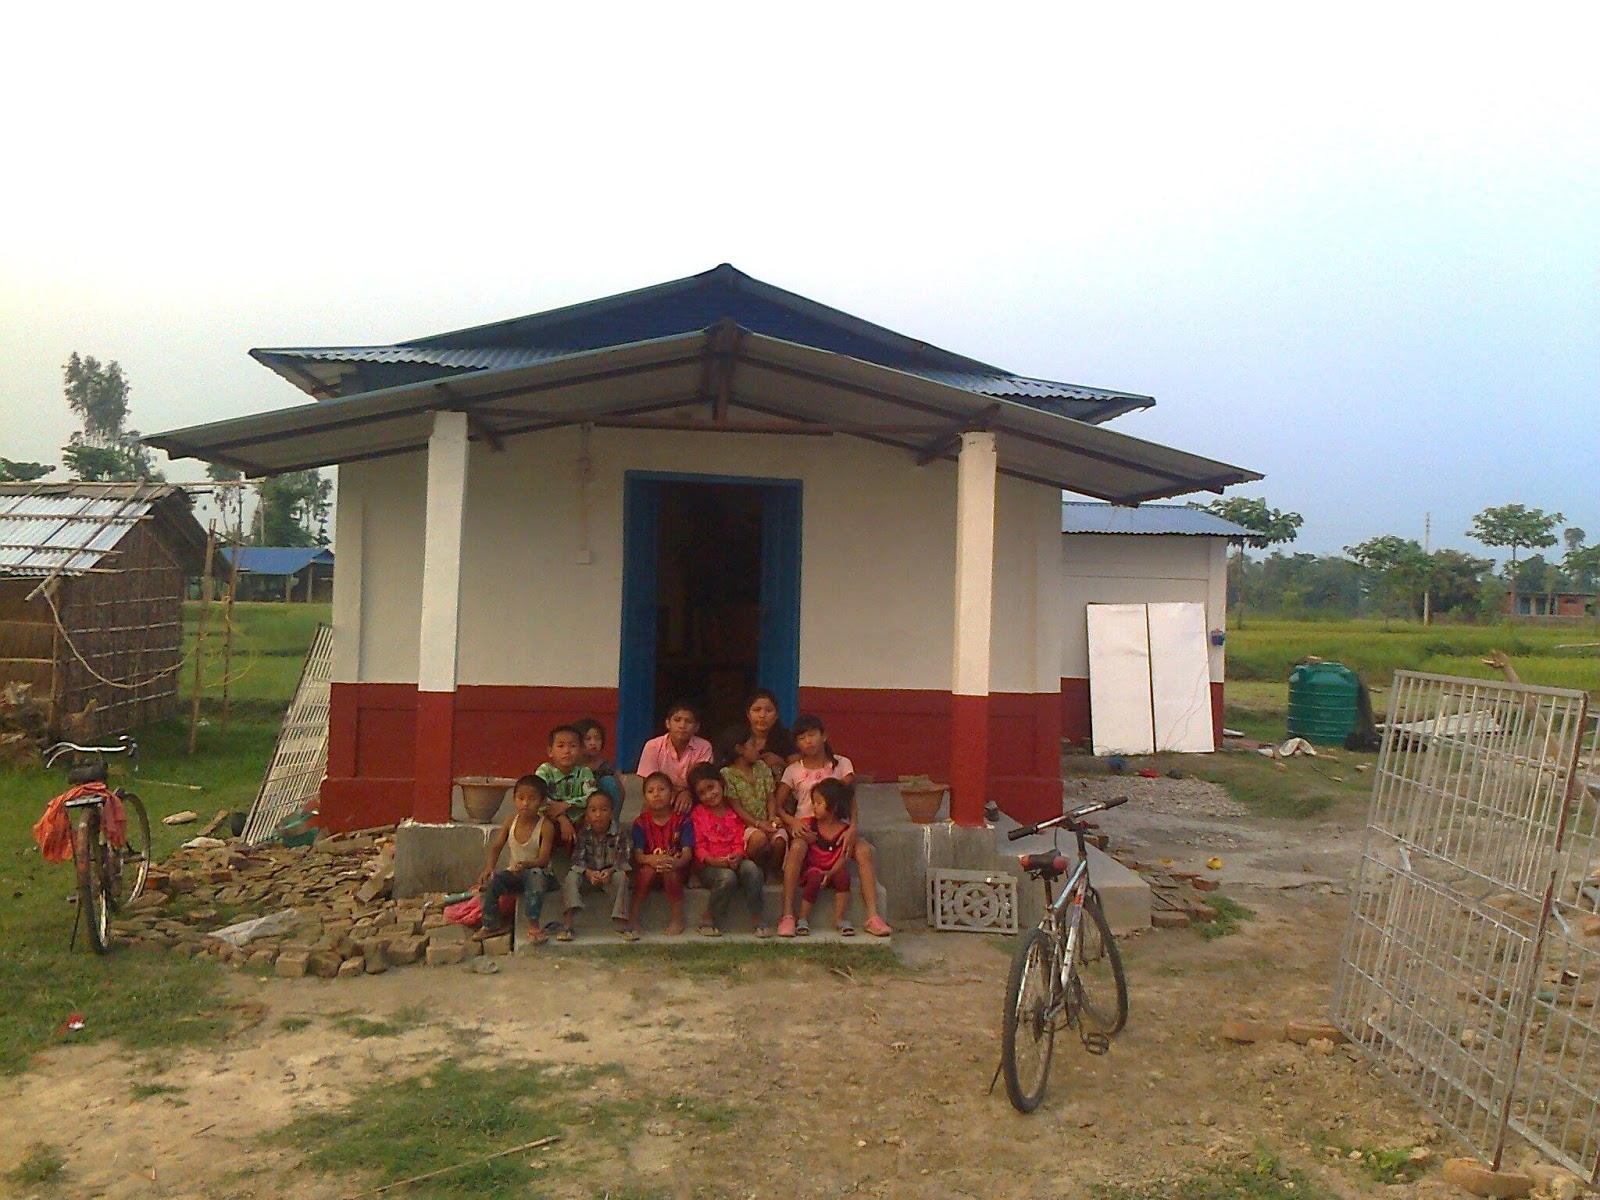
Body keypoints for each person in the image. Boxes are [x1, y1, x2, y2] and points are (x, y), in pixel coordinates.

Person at [687, 763, 770, 937]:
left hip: (733, 859)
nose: (709, 795)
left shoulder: (733, 812)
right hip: (709, 865)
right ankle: (708, 918)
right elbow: (699, 846)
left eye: (711, 787)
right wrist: (714, 861)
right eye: (702, 793)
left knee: (753, 870)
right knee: (727, 878)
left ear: (721, 783)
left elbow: (739, 839)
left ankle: (757, 918)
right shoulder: (698, 814)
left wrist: (738, 855)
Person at [474, 775, 557, 946]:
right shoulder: (510, 820)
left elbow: (543, 859)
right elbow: (496, 846)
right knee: (492, 882)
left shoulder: (546, 826)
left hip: (540, 875)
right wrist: (489, 868)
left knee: (535, 875)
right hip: (515, 874)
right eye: (521, 798)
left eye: (532, 799)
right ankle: (491, 924)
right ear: (514, 800)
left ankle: (534, 925)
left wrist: (526, 865)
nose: (525, 803)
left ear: (542, 802)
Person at [628, 771, 695, 938]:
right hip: (651, 868)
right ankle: (633, 917)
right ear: (645, 798)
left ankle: (677, 917)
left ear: (672, 795)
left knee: (670, 871)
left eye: (661, 790)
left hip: (676, 869)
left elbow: (687, 852)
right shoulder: (641, 823)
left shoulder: (682, 820)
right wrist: (652, 859)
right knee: (646, 872)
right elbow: (638, 854)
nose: (656, 794)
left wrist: (674, 862)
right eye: (650, 791)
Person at [557, 791, 630, 940]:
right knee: (571, 877)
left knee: (622, 877)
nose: (598, 815)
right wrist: (588, 872)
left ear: (611, 812)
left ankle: (620, 922)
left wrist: (610, 871)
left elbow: (624, 858)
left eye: (604, 810)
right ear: (587, 814)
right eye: (593, 810)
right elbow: (577, 859)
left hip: (609, 876)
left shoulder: (621, 832)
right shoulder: (584, 833)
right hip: (588, 877)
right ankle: (568, 924)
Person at [789, 777, 858, 935]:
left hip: (833, 869)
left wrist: (831, 872)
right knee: (815, 877)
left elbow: (844, 856)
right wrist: (798, 834)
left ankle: (839, 918)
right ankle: (803, 918)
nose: (814, 807)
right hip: (812, 870)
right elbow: (795, 833)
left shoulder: (844, 832)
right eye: (813, 802)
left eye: (819, 803)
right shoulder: (809, 825)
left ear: (833, 807)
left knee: (843, 877)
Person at [717, 723, 785, 874]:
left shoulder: (761, 767)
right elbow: (736, 807)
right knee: (758, 838)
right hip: (744, 825)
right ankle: (751, 870)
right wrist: (758, 824)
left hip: (767, 820)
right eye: (753, 745)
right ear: (739, 749)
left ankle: (772, 872)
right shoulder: (727, 774)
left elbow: (770, 796)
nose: (758, 749)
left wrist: (773, 816)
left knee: (780, 840)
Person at [634, 700, 713, 812]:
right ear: (668, 723)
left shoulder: (704, 747)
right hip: (662, 794)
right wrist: (671, 794)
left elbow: (702, 779)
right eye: (677, 720)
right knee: (649, 807)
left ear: (696, 727)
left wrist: (688, 793)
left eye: (688, 722)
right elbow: (650, 782)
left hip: (692, 796)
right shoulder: (653, 746)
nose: (682, 726)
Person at [535, 724, 599, 846]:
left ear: (580, 750)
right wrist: (561, 818)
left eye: (573, 746)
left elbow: (592, 796)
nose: (567, 751)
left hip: (579, 822)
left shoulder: (584, 773)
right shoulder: (545, 771)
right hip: (550, 821)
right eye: (561, 746)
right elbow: (538, 798)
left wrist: (566, 805)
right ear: (550, 751)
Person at [571, 717, 623, 816]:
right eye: (588, 739)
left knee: (609, 782)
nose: (593, 743)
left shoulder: (605, 767)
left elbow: (619, 792)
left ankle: (611, 825)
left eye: (597, 739)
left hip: (601, 810)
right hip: (576, 809)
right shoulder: (571, 764)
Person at [744, 688, 795, 772]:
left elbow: (798, 770)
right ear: (748, 714)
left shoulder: (787, 738)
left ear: (777, 715)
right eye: (757, 710)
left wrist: (781, 762)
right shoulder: (737, 738)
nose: (762, 715)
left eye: (768, 710)